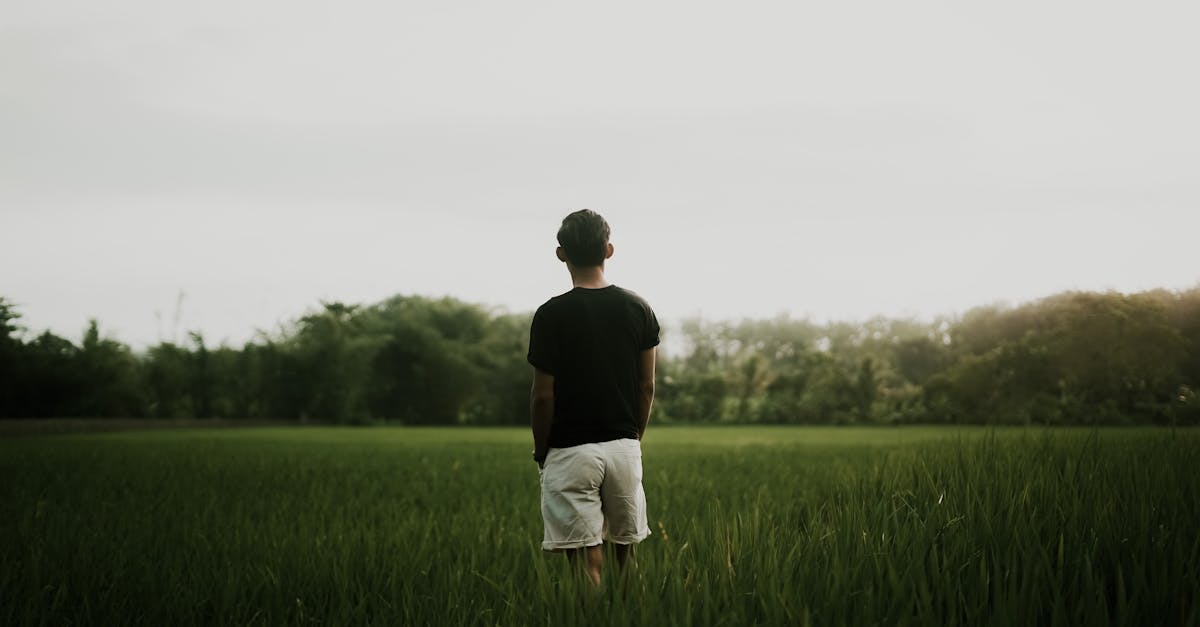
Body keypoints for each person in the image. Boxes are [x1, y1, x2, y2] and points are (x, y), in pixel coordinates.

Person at [527, 209, 659, 587]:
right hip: (623, 445)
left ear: (561, 254)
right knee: (627, 554)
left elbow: (542, 396)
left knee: (585, 563)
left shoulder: (550, 315)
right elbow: (646, 387)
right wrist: (632, 437)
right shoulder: (638, 308)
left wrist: (542, 450)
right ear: (609, 249)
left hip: (570, 451)